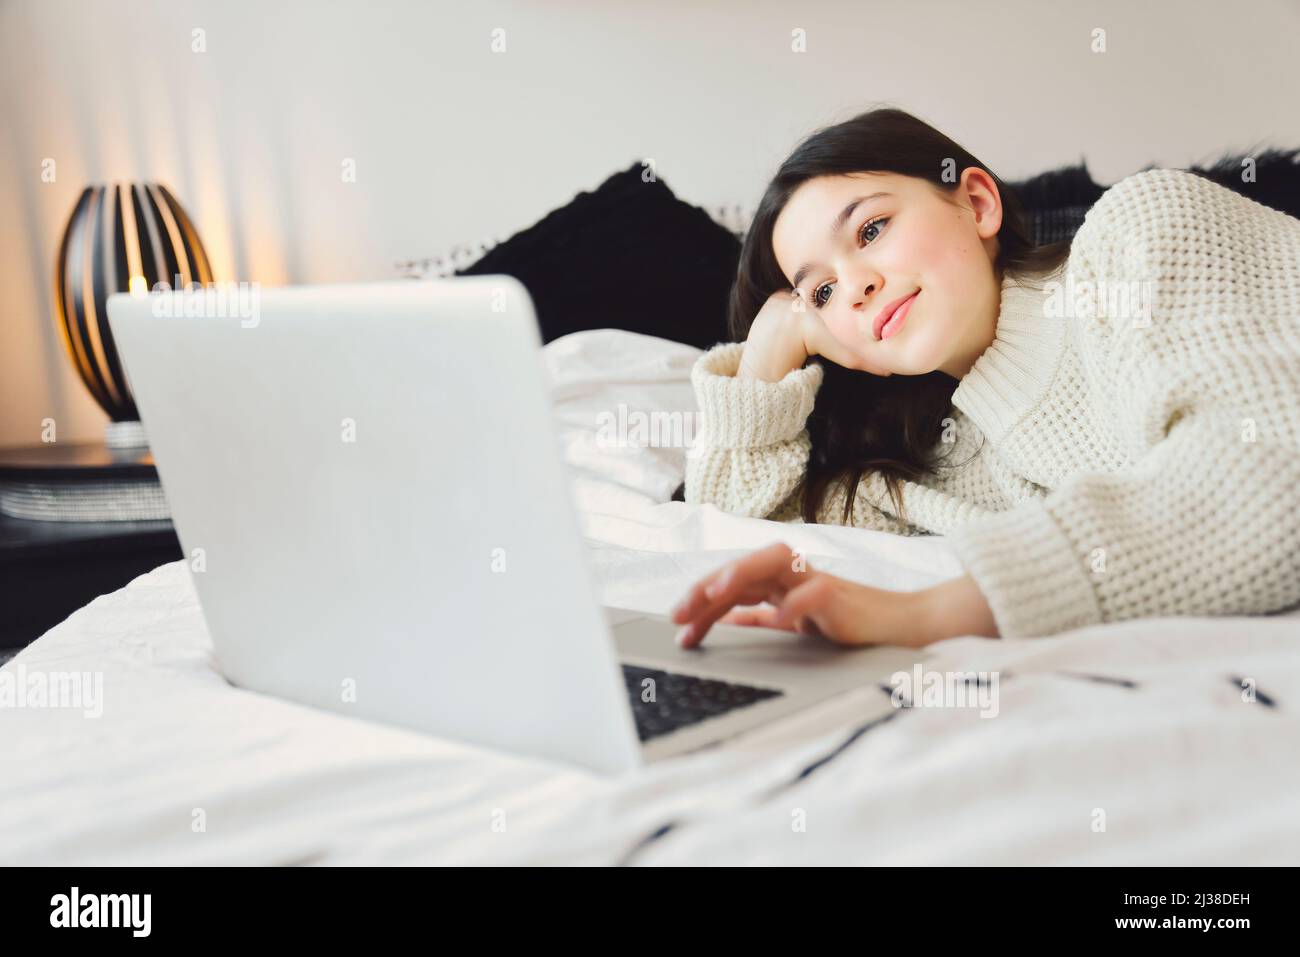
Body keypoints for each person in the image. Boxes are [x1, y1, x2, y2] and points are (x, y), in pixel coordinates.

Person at [671, 107, 1300, 648]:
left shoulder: (1139, 234)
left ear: (977, 203)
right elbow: (728, 527)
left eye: (871, 229)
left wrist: (923, 615)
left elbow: (1273, 472)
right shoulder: (931, 455)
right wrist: (765, 357)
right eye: (823, 290)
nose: (856, 287)